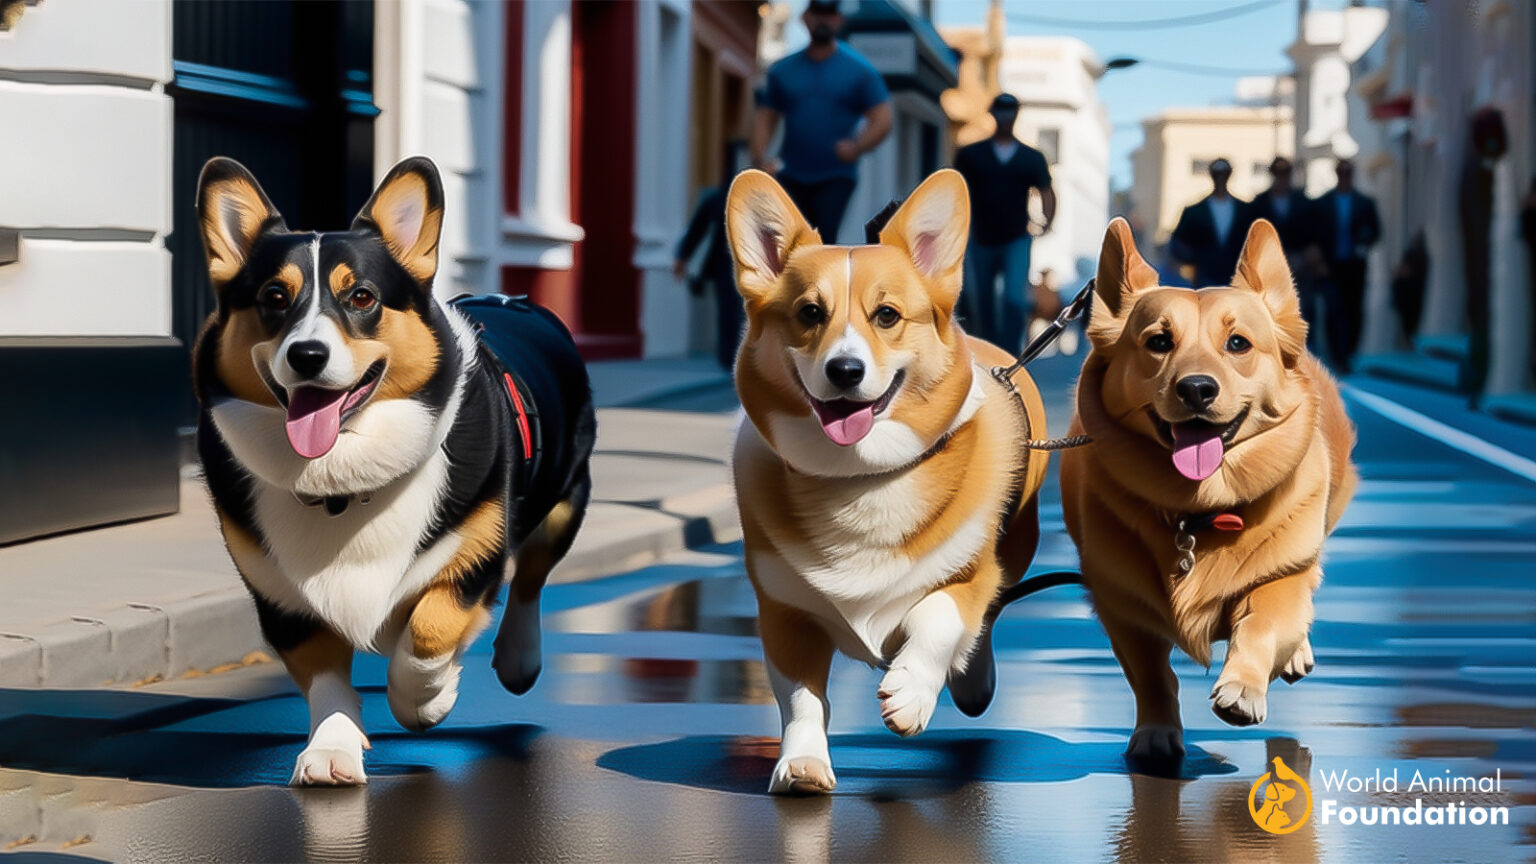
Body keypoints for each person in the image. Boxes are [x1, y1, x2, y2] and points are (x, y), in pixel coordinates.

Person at [750, 0, 892, 243]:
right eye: (817, 13)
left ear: (839, 20)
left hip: (835, 176)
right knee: (790, 242)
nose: (823, 20)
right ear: (805, 17)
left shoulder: (859, 71)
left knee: (823, 241)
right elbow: (766, 118)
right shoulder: (782, 71)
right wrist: (760, 161)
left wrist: (857, 147)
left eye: (829, 14)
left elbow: (882, 118)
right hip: (791, 173)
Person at [952, 92, 1055, 350]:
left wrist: (1048, 221)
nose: (1005, 117)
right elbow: (956, 190)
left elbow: (1047, 190)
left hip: (1016, 238)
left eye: (1010, 112)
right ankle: (987, 351)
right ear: (993, 114)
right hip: (980, 238)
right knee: (981, 299)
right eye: (1000, 111)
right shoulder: (971, 155)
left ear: (1016, 115)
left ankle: (1009, 353)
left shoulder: (1031, 157)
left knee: (1014, 299)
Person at [674, 142, 746, 370]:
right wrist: (683, 257)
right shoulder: (718, 199)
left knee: (734, 312)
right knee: (730, 312)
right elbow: (697, 230)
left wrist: (683, 257)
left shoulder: (725, 198)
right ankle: (730, 358)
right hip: (727, 263)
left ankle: (734, 357)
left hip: (739, 263)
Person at [1312, 158, 1381, 372]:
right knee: (1333, 311)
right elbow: (1314, 234)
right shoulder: (1323, 203)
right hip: (1331, 267)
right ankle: (1337, 355)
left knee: (1353, 311)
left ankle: (1350, 352)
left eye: (1347, 173)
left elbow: (1376, 231)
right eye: (1341, 172)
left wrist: (1364, 242)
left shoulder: (1364, 203)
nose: (1344, 177)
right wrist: (1319, 261)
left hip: (1354, 266)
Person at [1169, 158, 1251, 288]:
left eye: (1224, 174)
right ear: (1212, 175)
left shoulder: (1246, 211)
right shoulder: (1194, 211)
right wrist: (1196, 258)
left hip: (1238, 280)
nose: (1221, 178)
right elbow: (1177, 244)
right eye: (1217, 174)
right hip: (1205, 280)